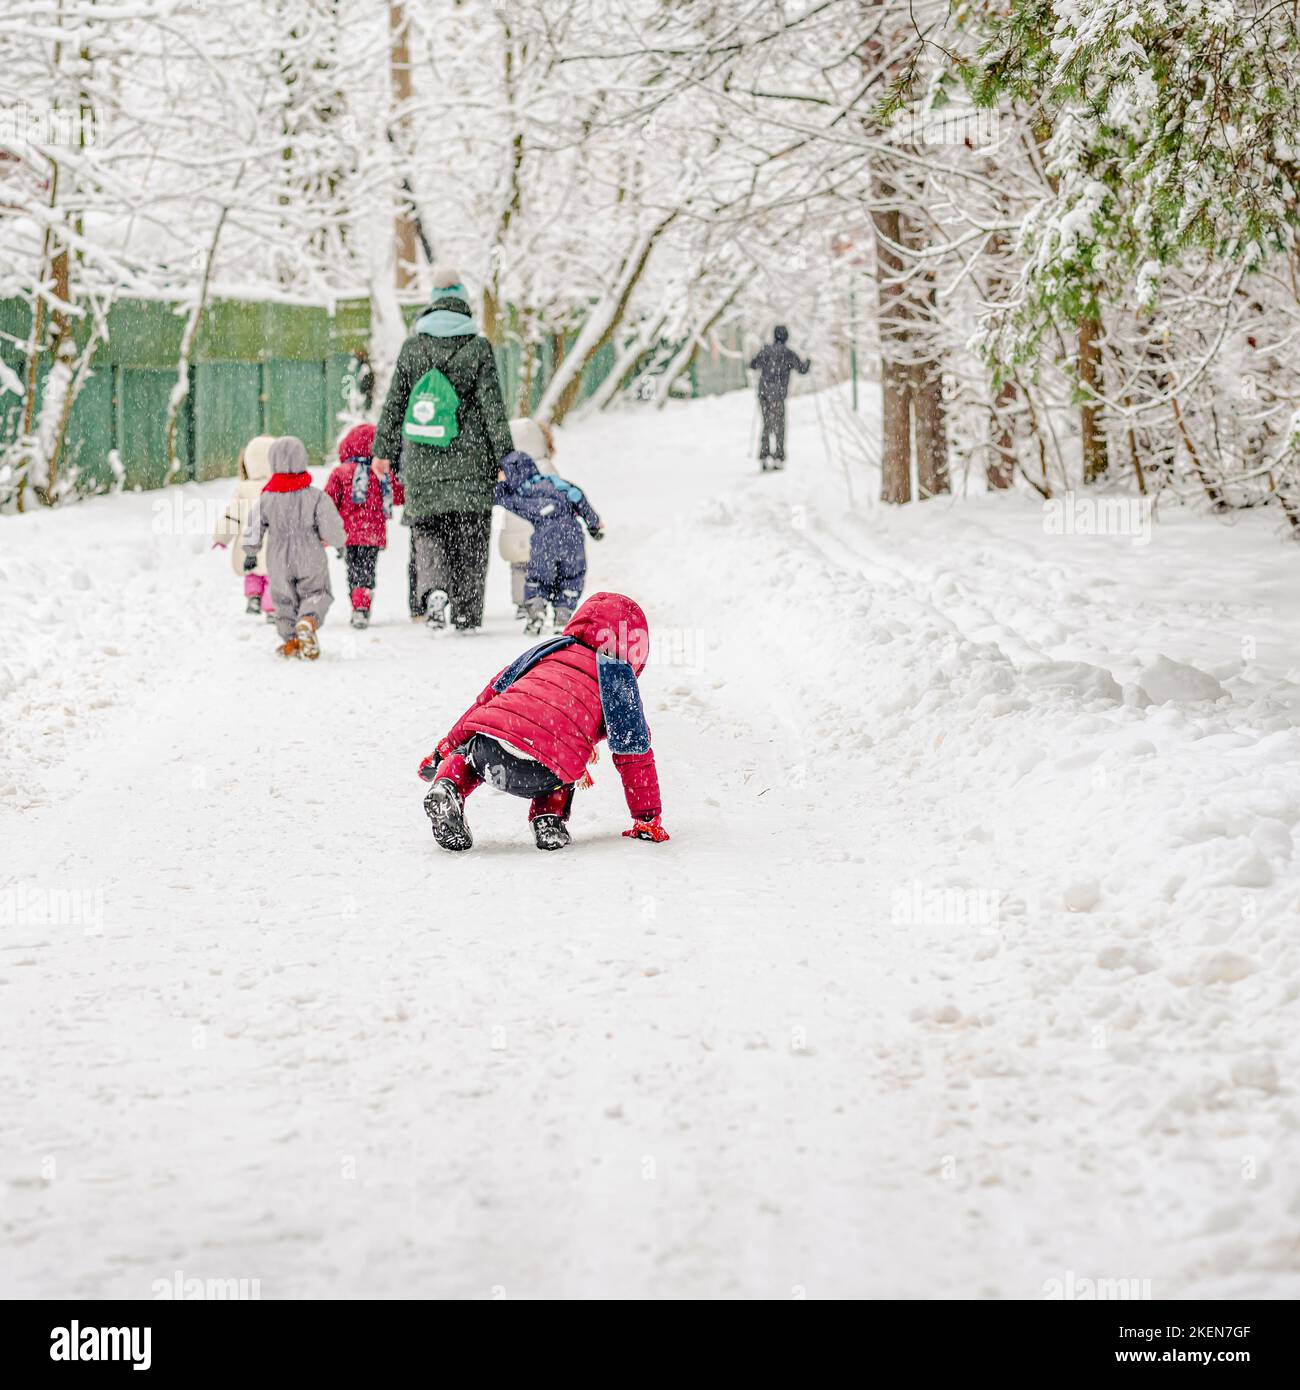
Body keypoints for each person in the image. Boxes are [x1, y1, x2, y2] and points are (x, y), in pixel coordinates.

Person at [416, 592, 669, 853]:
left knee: (468, 751)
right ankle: (548, 820)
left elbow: (487, 698)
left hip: (490, 753)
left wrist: (442, 751)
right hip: (545, 773)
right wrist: (646, 817)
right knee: (564, 756)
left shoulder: (549, 648)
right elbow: (633, 752)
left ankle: (449, 787)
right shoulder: (618, 678)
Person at [374, 267, 514, 632]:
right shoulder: (478, 347)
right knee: (471, 535)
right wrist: (506, 458)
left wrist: (382, 450)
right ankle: (467, 614)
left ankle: (434, 590)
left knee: (429, 531)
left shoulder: (412, 346)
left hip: (422, 460)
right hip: (471, 464)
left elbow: (395, 404)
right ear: (464, 304)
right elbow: (492, 409)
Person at [242, 436, 346, 660]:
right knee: (317, 592)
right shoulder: (315, 496)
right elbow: (330, 524)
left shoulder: (267, 498)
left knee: (283, 599)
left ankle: (291, 640)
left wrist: (251, 552)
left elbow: (254, 525)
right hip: (310, 553)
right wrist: (339, 544)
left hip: (278, 557)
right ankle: (308, 621)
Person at [494, 441, 604, 636]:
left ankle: (536, 612)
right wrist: (593, 524)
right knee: (571, 576)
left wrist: (499, 485)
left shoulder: (519, 494)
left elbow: (501, 498)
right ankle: (563, 614)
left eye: (502, 472)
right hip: (572, 535)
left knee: (538, 576)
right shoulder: (554, 482)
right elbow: (577, 495)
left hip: (544, 539)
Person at [323, 423, 405, 630]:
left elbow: (328, 501)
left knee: (353, 569)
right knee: (367, 570)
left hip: (348, 534)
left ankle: (357, 605)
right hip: (372, 535)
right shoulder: (380, 473)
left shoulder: (341, 472)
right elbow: (398, 495)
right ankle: (363, 604)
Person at [211, 435, 277, 621]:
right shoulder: (279, 487)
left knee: (253, 570)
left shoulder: (244, 489)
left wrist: (221, 537)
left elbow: (232, 517)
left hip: (249, 542)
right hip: (273, 541)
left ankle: (254, 597)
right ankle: (272, 608)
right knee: (273, 575)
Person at [498, 417, 558, 618]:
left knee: (518, 568)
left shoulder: (509, 469)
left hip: (514, 532)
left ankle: (521, 604)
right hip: (543, 531)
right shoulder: (547, 468)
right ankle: (538, 602)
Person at [748, 325, 810, 469]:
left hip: (764, 394)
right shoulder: (788, 354)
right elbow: (802, 369)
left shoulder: (766, 350)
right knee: (779, 425)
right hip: (778, 395)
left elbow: (753, 365)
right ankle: (778, 457)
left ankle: (764, 456)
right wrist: (808, 361)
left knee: (767, 424)